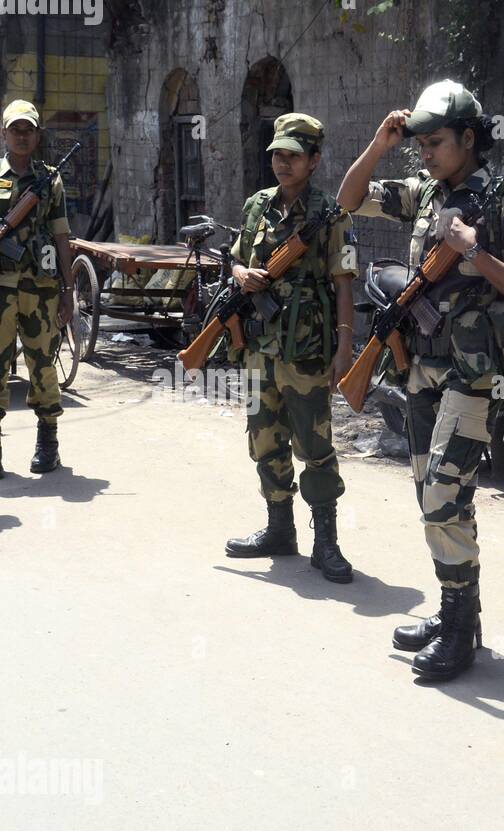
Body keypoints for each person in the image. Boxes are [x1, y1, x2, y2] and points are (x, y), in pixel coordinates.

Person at [338, 81, 504, 680]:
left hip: (472, 374)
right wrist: (378, 146)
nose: (424, 153)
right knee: (434, 489)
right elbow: (351, 199)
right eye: (419, 143)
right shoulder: (424, 194)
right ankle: (459, 611)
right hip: (421, 367)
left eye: (436, 143)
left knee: (443, 498)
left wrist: (473, 252)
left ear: (469, 140)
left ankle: (457, 634)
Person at [223, 114, 357, 582]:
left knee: (315, 444)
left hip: (307, 350)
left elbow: (344, 284)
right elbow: (237, 258)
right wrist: (242, 274)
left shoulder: (330, 213)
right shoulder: (257, 206)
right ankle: (279, 528)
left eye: (293, 155)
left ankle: (326, 542)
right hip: (261, 345)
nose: (282, 163)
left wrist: (345, 347)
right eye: (278, 154)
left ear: (314, 161)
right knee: (264, 439)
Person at [0, 99, 75, 478]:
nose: (23, 136)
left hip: (42, 288)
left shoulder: (51, 179)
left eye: (29, 129)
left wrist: (68, 290)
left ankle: (48, 441)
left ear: (37, 135)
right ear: (4, 134)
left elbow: (62, 236)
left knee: (43, 364)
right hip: (1, 288)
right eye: (16, 129)